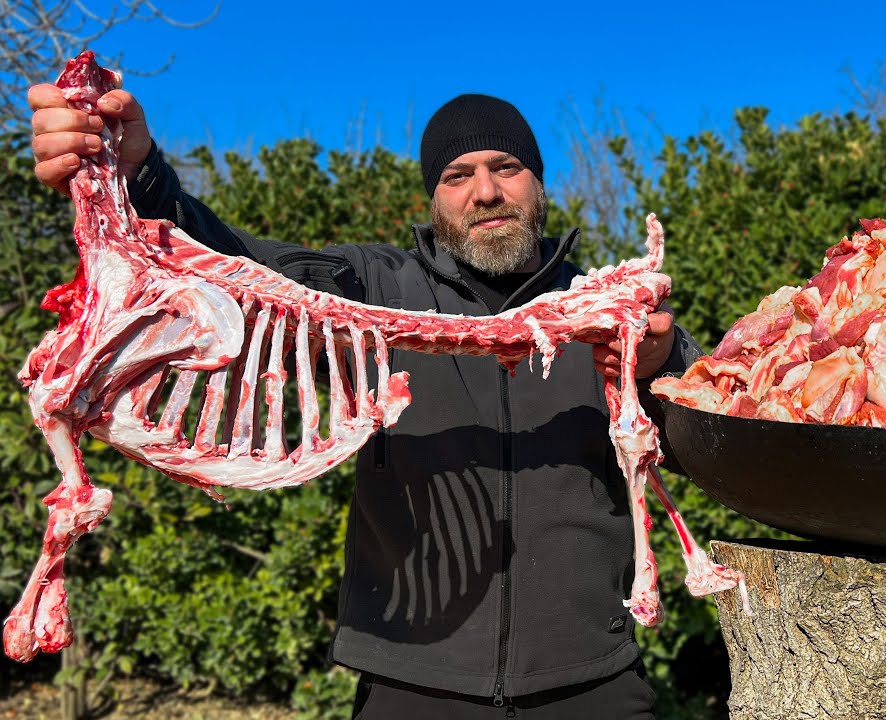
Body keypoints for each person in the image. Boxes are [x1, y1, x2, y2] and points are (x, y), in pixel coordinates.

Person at [28, 82, 703, 719]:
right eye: (457, 175)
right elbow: (237, 267)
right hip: (410, 682)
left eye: (507, 167)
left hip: (592, 683)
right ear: (433, 199)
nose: (487, 192)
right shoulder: (373, 289)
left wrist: (658, 365)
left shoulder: (612, 309)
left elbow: (726, 419)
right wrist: (141, 175)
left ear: (539, 181)